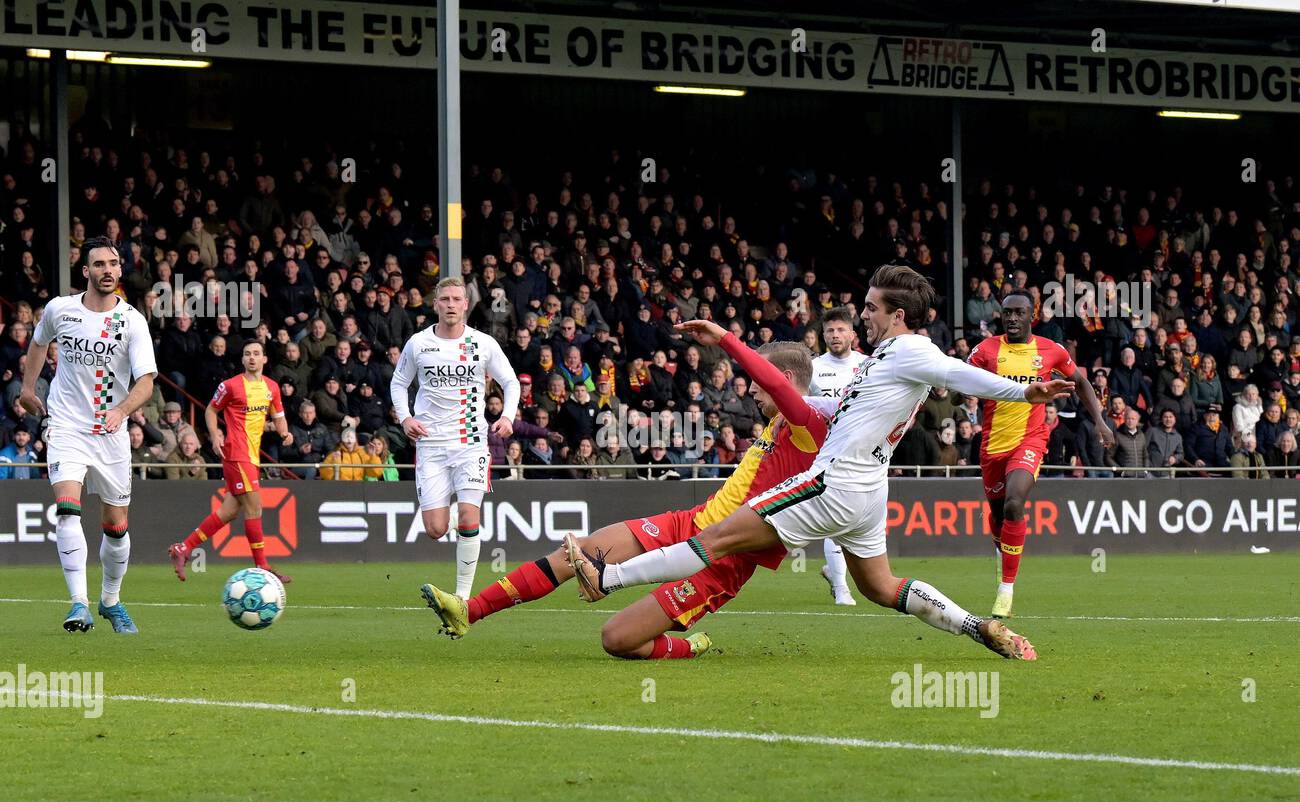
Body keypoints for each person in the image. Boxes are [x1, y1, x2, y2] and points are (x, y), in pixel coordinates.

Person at [570, 266, 1074, 662]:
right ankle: (976, 625)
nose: (864, 317)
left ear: (898, 315)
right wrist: (738, 349)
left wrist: (1024, 391)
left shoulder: (910, 351)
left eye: (872, 308)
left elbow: (957, 373)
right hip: (867, 494)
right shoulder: (883, 363)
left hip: (832, 484)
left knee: (715, 537)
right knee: (880, 586)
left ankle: (607, 578)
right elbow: (830, 407)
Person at [421, 318, 828, 660]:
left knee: (616, 639)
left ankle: (687, 648)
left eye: (756, 382)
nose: (752, 390)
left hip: (723, 560)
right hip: (689, 523)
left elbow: (775, 387)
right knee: (575, 552)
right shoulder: (778, 424)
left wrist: (724, 338)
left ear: (782, 380)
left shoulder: (807, 425)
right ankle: (468, 611)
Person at [19, 237, 158, 633]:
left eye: (113, 263)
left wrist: (121, 411)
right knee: (66, 507)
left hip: (110, 433)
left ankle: (110, 601)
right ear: (86, 271)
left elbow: (146, 381)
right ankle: (78, 603)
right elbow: (37, 343)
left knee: (116, 528)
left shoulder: (132, 320)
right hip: (66, 426)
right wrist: (28, 390)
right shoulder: (59, 309)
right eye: (99, 264)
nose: (108, 270)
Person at [966, 289, 1111, 618]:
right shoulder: (986, 350)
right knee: (999, 514)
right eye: (1007, 313)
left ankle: (1006, 590)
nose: (1012, 318)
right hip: (992, 445)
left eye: (1019, 313)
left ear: (1031, 316)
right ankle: (1003, 554)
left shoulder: (1051, 350)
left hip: (1030, 440)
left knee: (1016, 502)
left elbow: (1082, 382)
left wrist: (1100, 421)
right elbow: (960, 378)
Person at [392, 277, 520, 599]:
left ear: (465, 305)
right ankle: (457, 516)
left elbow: (511, 382)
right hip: (431, 444)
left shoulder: (484, 343)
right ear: (435, 304)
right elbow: (398, 383)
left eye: (456, 299)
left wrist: (506, 416)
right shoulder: (418, 344)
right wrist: (405, 417)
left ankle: (462, 599)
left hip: (471, 441)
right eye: (444, 299)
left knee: (468, 516)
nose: (450, 305)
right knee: (435, 529)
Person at [168, 340, 294, 582]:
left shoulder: (272, 388)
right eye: (247, 354)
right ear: (243, 360)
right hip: (237, 453)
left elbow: (279, 416)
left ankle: (183, 549)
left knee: (228, 512)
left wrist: (285, 433)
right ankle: (263, 568)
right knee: (255, 507)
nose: (252, 358)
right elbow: (211, 410)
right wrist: (215, 435)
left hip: (252, 456)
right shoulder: (230, 386)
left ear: (265, 359)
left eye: (257, 353)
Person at [810, 308, 863, 605]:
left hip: (862, 451)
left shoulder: (867, 365)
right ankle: (842, 587)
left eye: (841, 330)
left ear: (852, 334)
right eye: (830, 331)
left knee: (854, 519)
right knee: (835, 517)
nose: (835, 335)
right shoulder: (814, 367)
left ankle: (835, 571)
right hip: (826, 450)